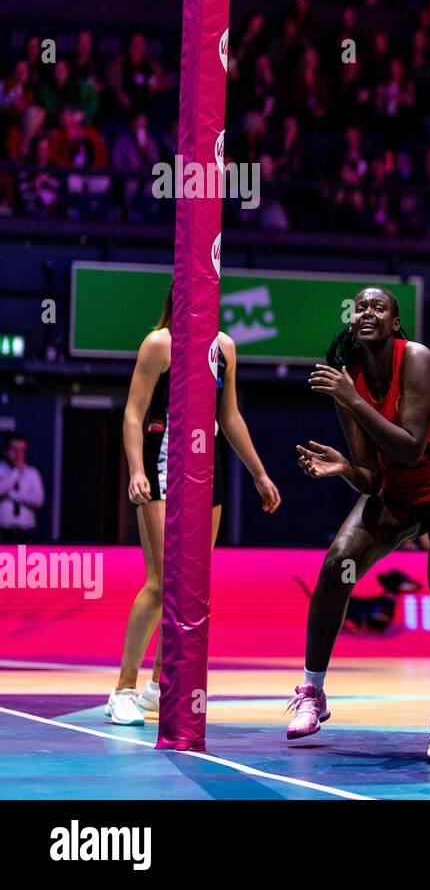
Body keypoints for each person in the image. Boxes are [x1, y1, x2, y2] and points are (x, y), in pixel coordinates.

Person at [287, 287, 430, 748]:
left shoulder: (419, 359)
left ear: (394, 323)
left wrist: (354, 401)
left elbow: (410, 447)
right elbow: (372, 477)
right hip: (397, 496)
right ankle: (313, 690)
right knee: (337, 564)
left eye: (379, 307)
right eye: (360, 308)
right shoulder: (347, 382)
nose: (368, 312)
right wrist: (345, 469)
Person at [111, 284, 281, 725]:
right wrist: (135, 470)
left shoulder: (225, 347)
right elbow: (132, 412)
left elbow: (230, 416)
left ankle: (156, 685)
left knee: (192, 588)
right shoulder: (158, 343)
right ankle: (123, 689)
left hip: (208, 471)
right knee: (163, 580)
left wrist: (259, 473)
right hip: (161, 463)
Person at [0, 433, 44, 541]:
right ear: (6, 450)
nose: (18, 454)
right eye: (14, 449)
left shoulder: (32, 473)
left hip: (27, 533)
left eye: (22, 450)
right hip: (2, 532)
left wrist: (12, 494)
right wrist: (15, 473)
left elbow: (38, 500)